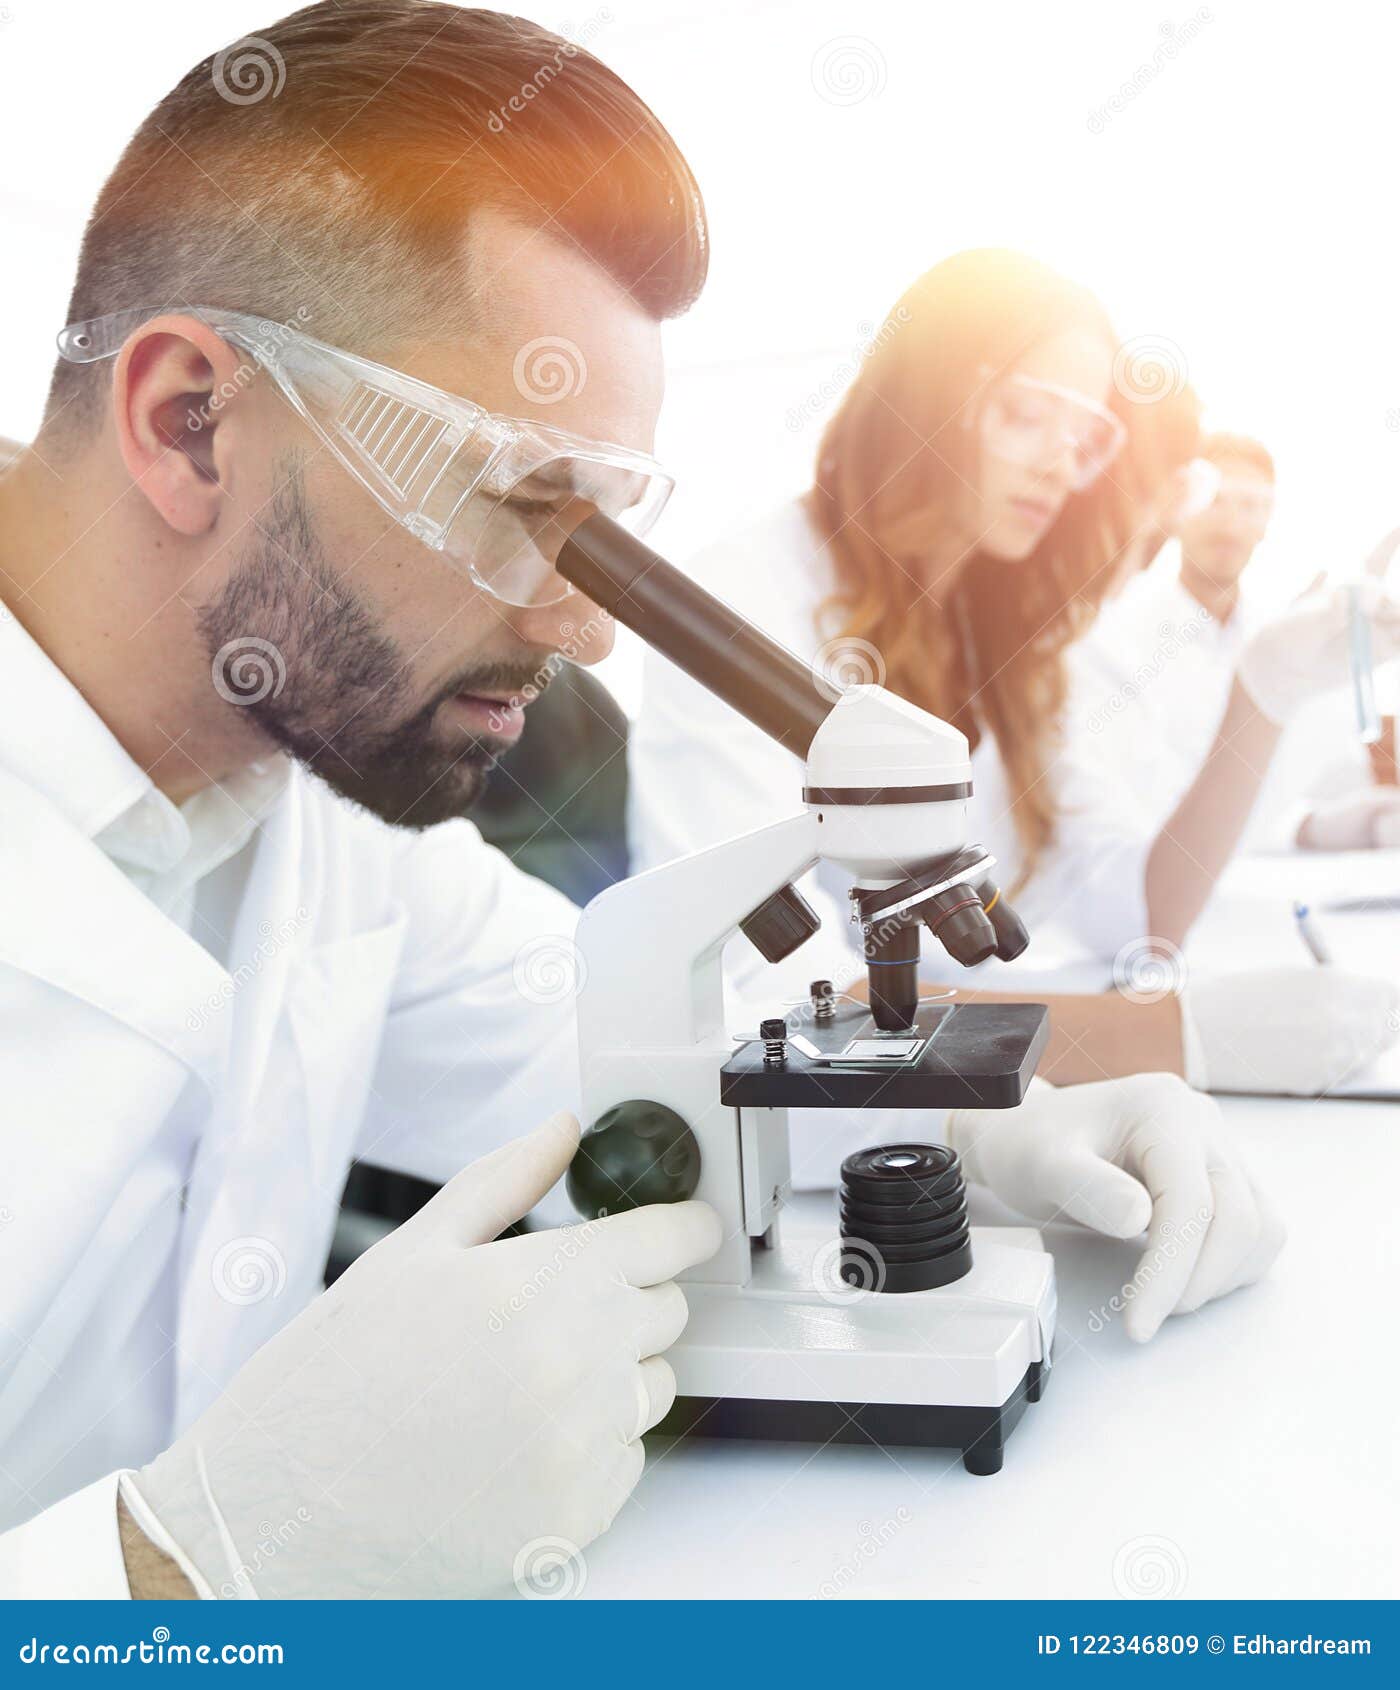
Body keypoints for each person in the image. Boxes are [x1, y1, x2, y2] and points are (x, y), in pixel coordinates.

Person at [0, 7, 1288, 1602]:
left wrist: (979, 1120)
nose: (587, 624)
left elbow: (615, 1054)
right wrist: (164, 1571)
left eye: (611, 531)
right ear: (193, 420)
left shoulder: (314, 808)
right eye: (526, 503)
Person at [629, 251, 1400, 1114]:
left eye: (1085, 438)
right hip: (828, 1149)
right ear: (924, 391)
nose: (1058, 466)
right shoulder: (739, 599)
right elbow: (778, 1005)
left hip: (968, 1111)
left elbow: (1140, 907)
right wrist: (1170, 1040)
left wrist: (1263, 697)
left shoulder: (993, 634)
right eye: (1028, 415)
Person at [1068, 432, 1400, 852]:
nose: (1230, 523)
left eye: (1250, 505)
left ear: (1268, 520)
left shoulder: (1289, 640)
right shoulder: (1115, 635)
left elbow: (1320, 782)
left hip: (1279, 888)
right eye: (1215, 500)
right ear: (1181, 506)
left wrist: (1317, 825)